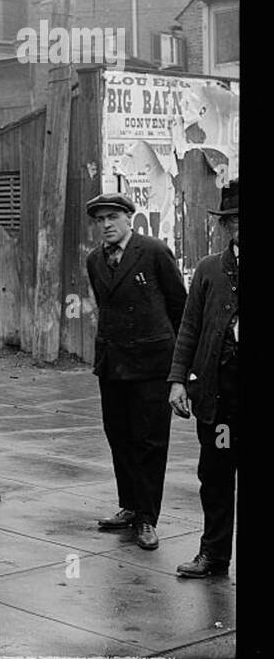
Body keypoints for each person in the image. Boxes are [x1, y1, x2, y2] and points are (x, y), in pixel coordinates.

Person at [85, 192, 187, 550]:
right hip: (113, 364)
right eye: (100, 220)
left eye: (113, 217)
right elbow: (105, 307)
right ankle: (129, 505)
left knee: (150, 442)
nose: (106, 225)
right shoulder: (95, 259)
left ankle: (147, 518)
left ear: (129, 217)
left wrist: (180, 367)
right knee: (119, 435)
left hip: (152, 364)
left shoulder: (154, 251)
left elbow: (181, 308)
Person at [167, 180, 238, 578]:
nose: (240, 226)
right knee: (215, 476)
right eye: (233, 220)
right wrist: (178, 380)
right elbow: (189, 329)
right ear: (226, 226)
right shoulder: (211, 270)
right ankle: (213, 556)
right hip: (221, 402)